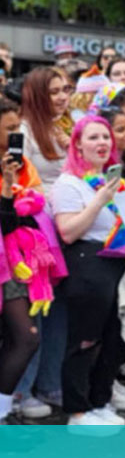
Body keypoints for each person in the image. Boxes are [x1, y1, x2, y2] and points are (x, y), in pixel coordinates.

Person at [53, 116, 125, 426]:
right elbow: (68, 232)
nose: (102, 143)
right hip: (87, 262)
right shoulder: (67, 183)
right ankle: (77, 410)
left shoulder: (118, 180)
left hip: (119, 264)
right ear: (78, 145)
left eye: (105, 138)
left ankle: (100, 400)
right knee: (85, 340)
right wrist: (99, 201)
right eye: (93, 138)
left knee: (115, 337)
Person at [0, 98, 52, 424]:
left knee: (25, 337)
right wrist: (7, 186)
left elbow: (27, 217)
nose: (14, 134)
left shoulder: (23, 168)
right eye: (8, 129)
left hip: (17, 263)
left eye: (17, 127)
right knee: (25, 336)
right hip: (5, 266)